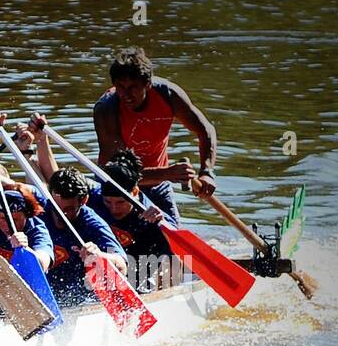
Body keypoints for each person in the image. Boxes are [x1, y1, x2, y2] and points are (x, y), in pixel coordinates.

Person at [92, 46, 219, 221]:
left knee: (174, 239)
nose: (126, 95)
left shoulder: (168, 95)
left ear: (148, 84)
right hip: (117, 192)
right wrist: (168, 173)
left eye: (132, 88)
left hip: (158, 185)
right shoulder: (107, 109)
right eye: (120, 87)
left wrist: (206, 172)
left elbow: (205, 131)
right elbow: (116, 173)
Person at [36, 168, 128, 307]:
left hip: (82, 299)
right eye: (58, 209)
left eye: (69, 209)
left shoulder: (92, 223)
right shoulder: (38, 213)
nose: (62, 216)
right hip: (46, 294)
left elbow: (122, 264)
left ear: (83, 200)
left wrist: (100, 255)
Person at [87, 149, 176, 288]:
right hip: (116, 260)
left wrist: (161, 221)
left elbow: (179, 250)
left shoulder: (149, 212)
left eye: (120, 202)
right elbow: (52, 177)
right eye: (108, 202)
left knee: (174, 261)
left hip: (146, 264)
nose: (114, 209)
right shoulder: (94, 195)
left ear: (134, 192)